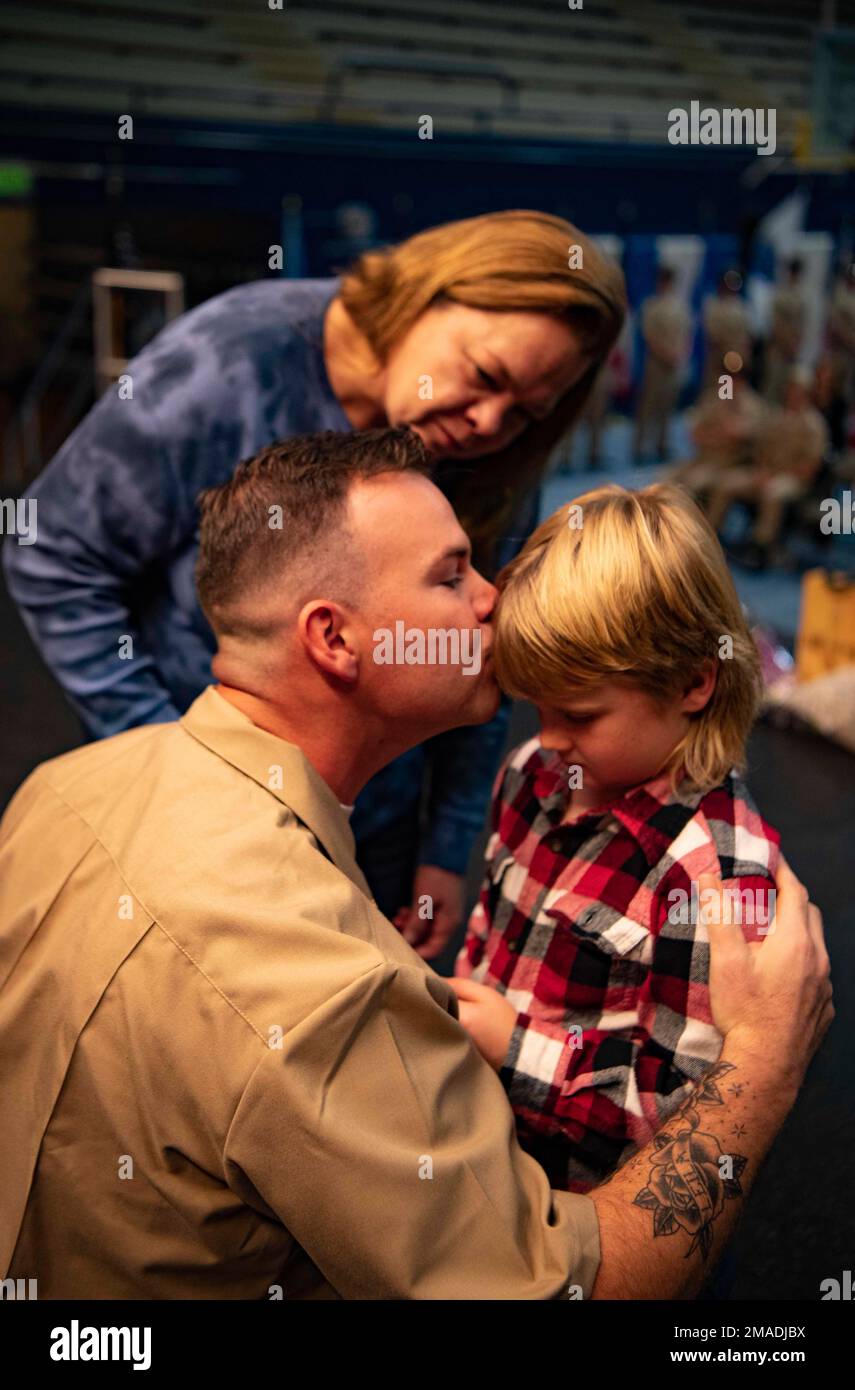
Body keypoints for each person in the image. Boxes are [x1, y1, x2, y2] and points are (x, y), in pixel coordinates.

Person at [0, 429, 833, 1300]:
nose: (491, 599)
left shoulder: (58, 788)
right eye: (450, 574)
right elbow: (566, 1290)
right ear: (334, 639)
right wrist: (767, 1058)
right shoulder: (321, 990)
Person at [1, 210, 626, 947]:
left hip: (376, 817)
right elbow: (53, 549)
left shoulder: (490, 455)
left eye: (525, 412)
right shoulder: (229, 360)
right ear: (430, 292)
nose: (487, 422)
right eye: (484, 375)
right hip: (195, 806)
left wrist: (443, 848)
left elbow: (475, 644)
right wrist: (165, 757)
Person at [453, 484, 778, 1193]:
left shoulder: (713, 878)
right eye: (534, 708)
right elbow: (493, 927)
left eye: (577, 713)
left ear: (693, 682)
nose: (543, 737)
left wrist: (513, 1047)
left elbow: (682, 1119)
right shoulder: (533, 773)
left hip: (599, 1215)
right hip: (485, 1163)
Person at [706, 366, 829, 566]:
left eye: (798, 390)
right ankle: (711, 535)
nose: (793, 393)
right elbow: (761, 448)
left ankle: (760, 546)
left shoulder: (814, 424)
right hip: (766, 473)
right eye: (791, 388)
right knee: (727, 483)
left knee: (772, 492)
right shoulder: (775, 416)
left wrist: (776, 475)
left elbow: (811, 466)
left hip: (794, 479)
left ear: (806, 393)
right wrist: (762, 470)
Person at [670, 370, 767, 505]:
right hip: (702, 458)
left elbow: (736, 434)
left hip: (728, 462)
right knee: (665, 480)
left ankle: (695, 524)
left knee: (692, 484)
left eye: (734, 377)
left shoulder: (751, 404)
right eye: (725, 375)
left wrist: (714, 434)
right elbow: (695, 433)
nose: (729, 381)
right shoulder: (714, 399)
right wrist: (715, 434)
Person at [633, 267, 691, 462]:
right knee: (649, 406)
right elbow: (649, 336)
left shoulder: (680, 306)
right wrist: (667, 354)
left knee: (668, 405)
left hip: (674, 363)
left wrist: (682, 353)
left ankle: (662, 444)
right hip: (657, 363)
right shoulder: (651, 305)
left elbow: (687, 333)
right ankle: (640, 447)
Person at [762, 258, 807, 405]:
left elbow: (802, 325)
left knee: (788, 390)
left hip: (792, 352)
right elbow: (776, 325)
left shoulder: (801, 297)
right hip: (778, 350)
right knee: (773, 388)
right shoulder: (780, 294)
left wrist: (796, 345)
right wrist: (788, 343)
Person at [702, 270, 752, 390]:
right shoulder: (713, 305)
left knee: (731, 394)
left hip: (737, 361)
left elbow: (746, 335)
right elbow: (713, 335)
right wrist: (729, 350)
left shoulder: (741, 306)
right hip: (718, 361)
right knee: (718, 394)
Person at [825, 262, 855, 454]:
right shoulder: (840, 297)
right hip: (839, 357)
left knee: (846, 401)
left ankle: (842, 442)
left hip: (851, 360)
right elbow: (834, 328)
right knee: (833, 398)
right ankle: (830, 442)